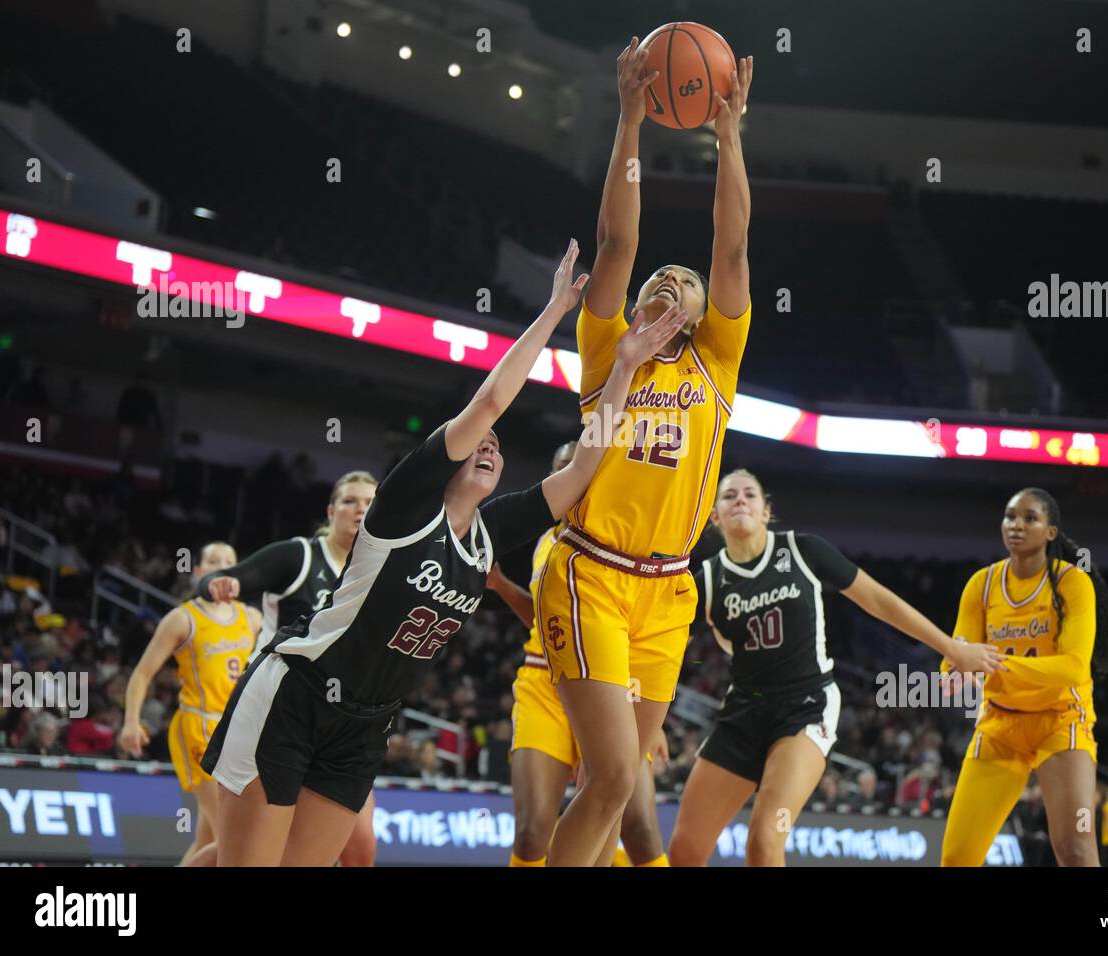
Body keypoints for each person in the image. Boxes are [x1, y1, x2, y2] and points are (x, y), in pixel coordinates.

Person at [199, 241, 688, 866]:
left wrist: (623, 367)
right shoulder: (402, 507)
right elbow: (489, 403)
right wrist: (556, 312)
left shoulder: (490, 534)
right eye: (478, 444)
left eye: (498, 448)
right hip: (297, 693)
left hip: (365, 726)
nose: (490, 447)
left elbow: (584, 468)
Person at [539, 37, 757, 868]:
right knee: (612, 776)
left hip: (667, 591)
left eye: (685, 282)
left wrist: (729, 136)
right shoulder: (608, 346)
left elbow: (730, 248)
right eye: (657, 280)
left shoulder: (716, 361)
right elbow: (617, 243)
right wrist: (630, 121)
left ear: (704, 310)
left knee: (620, 793)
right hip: (589, 568)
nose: (669, 283)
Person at [667, 470, 1002, 866]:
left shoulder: (803, 550)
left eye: (750, 494)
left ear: (766, 511)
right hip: (742, 710)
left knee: (764, 839)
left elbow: (879, 601)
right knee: (684, 852)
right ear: (715, 517)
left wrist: (951, 648)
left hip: (805, 706)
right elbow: (664, 649)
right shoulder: (704, 581)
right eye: (729, 496)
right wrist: (649, 721)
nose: (740, 500)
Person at [486, 442, 669, 867]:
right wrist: (500, 585)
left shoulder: (626, 539)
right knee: (532, 833)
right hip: (544, 683)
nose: (572, 472)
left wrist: (650, 711)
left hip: (612, 686)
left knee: (638, 828)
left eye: (579, 463)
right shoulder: (545, 541)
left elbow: (649, 631)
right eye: (560, 466)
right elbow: (544, 618)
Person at [194, 468, 379, 866]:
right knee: (247, 845)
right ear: (331, 511)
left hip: (342, 721)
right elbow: (237, 576)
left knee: (360, 846)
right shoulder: (300, 555)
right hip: (277, 707)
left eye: (370, 503)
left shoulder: (382, 568)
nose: (360, 510)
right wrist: (222, 583)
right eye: (350, 501)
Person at [939, 487, 1108, 867]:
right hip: (1000, 724)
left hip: (1060, 721)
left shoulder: (1071, 583)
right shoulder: (982, 584)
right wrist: (953, 671)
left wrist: (995, 664)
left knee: (1075, 851)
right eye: (1010, 517)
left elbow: (1074, 667)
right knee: (958, 856)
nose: (1017, 525)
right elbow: (959, 649)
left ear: (1050, 532)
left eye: (1030, 518)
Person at [120, 541, 260, 865]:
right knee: (232, 837)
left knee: (207, 841)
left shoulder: (252, 617)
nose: (222, 566)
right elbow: (141, 674)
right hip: (197, 728)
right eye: (213, 561)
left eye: (229, 561)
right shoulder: (183, 618)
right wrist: (130, 721)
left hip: (235, 732)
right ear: (198, 571)